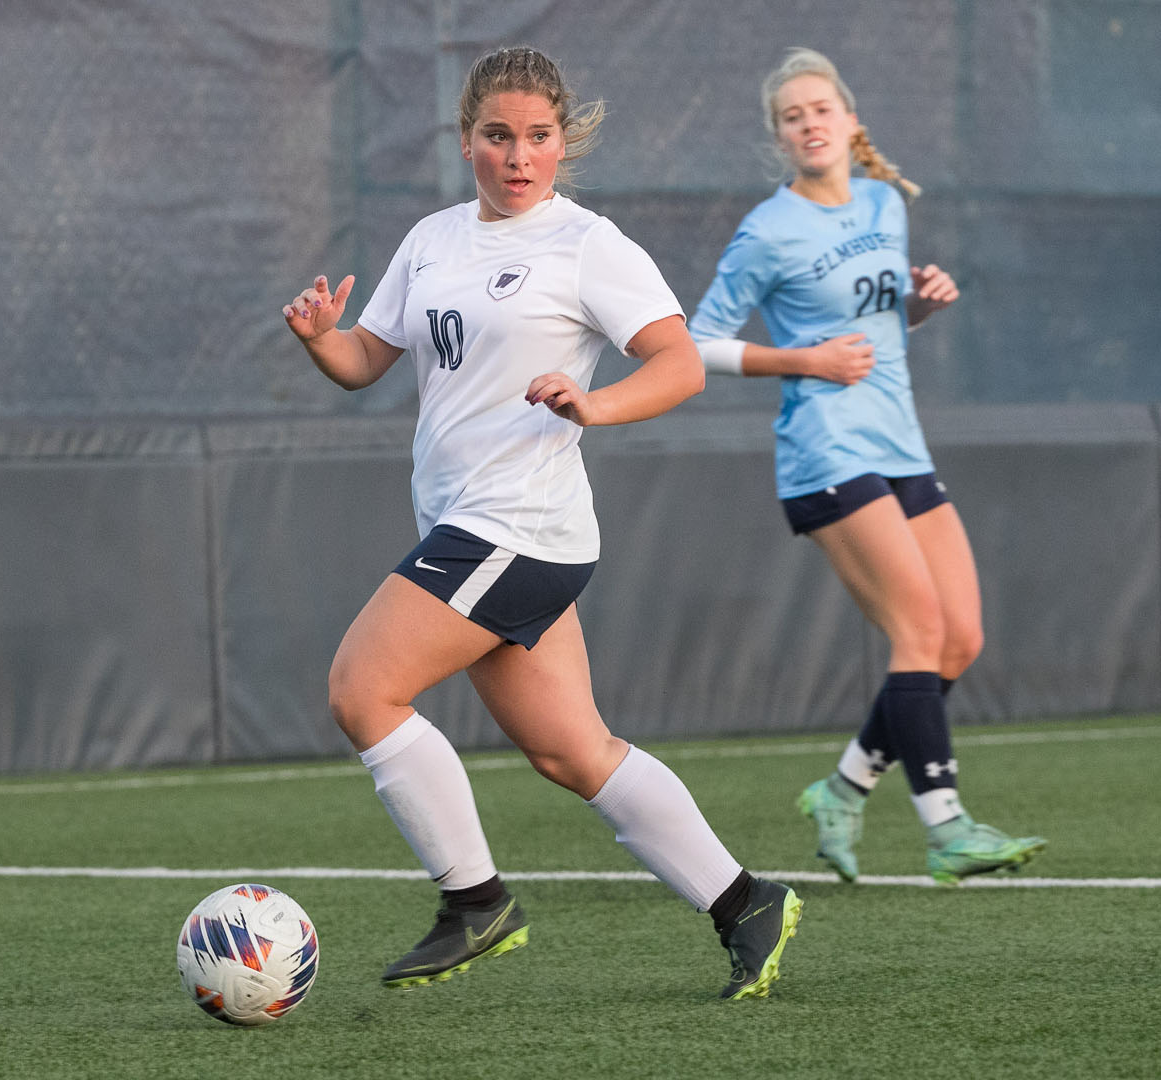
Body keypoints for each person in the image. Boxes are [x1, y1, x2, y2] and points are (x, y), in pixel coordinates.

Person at [282, 45, 801, 999]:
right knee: (572, 751)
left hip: (515, 527)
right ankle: (745, 903)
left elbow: (680, 364)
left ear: (564, 143)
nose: (518, 156)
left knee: (362, 689)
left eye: (538, 136)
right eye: (498, 136)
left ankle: (475, 902)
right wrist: (323, 339)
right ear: (466, 141)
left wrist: (595, 406)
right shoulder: (432, 239)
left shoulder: (587, 245)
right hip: (473, 528)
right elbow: (364, 362)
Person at [687, 47, 1045, 886]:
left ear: (851, 121)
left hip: (899, 442)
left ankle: (844, 789)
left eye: (821, 109)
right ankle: (946, 828)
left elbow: (878, 329)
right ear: (780, 138)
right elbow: (695, 345)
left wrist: (918, 305)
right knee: (919, 631)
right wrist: (803, 361)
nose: (809, 124)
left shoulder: (884, 203)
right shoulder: (767, 229)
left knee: (960, 640)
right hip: (825, 451)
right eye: (792, 117)